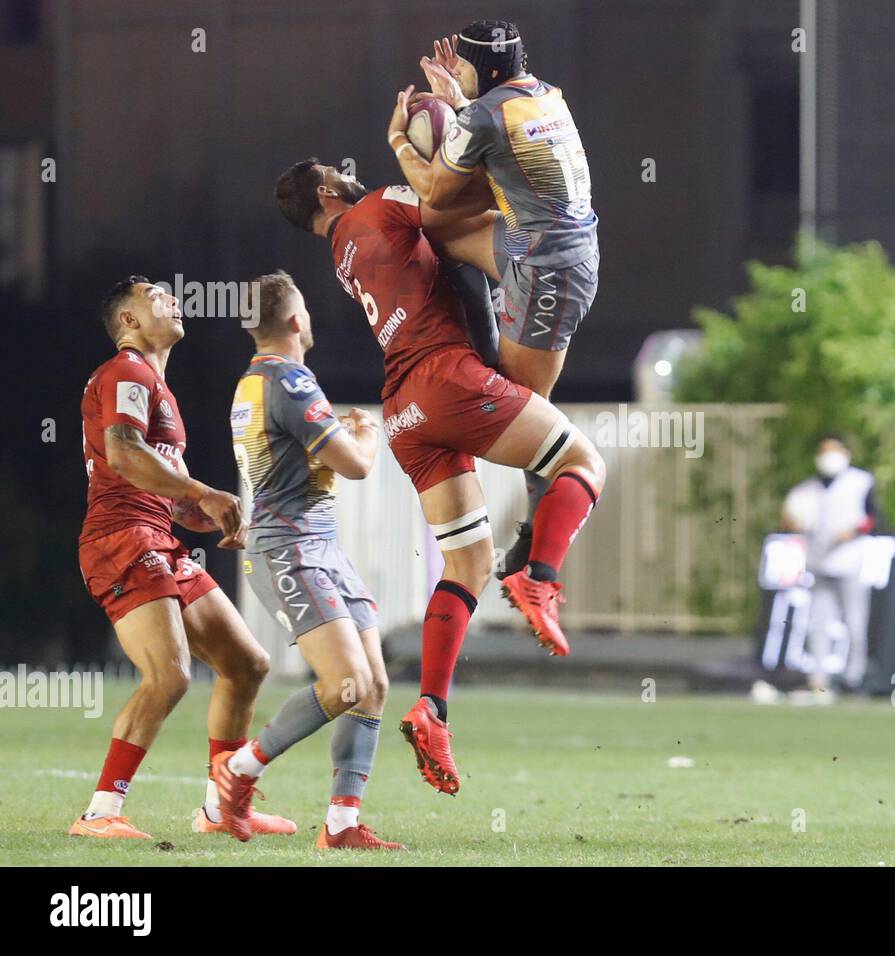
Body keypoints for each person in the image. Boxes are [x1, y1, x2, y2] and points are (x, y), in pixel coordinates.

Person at [274, 158, 605, 795]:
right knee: (582, 462)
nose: (348, 170)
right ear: (325, 190)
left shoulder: (342, 250)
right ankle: (540, 578)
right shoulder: (375, 205)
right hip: (446, 378)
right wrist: (451, 145)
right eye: (335, 171)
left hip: (403, 411)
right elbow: (452, 198)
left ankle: (432, 708)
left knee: (467, 565)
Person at [71, 276, 294, 840]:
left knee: (247, 664)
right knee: (168, 676)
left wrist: (199, 513)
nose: (172, 300)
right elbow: (123, 453)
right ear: (128, 321)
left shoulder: (155, 385)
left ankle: (221, 809)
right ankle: (100, 813)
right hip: (121, 539)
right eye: (156, 296)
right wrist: (199, 493)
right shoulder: (126, 370)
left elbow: (152, 482)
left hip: (155, 536)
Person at [391, 18, 600, 578]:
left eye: (460, 65)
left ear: (483, 71)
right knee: (435, 232)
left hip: (546, 271)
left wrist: (399, 141)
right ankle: (474, 339)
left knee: (526, 410)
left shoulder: (483, 115)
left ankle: (537, 545)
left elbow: (436, 186)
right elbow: (494, 173)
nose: (452, 72)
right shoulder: (542, 95)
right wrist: (460, 104)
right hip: (534, 240)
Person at [209, 271, 402, 849]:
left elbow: (287, 459)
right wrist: (366, 432)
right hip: (293, 553)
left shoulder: (252, 382)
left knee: (373, 686)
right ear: (296, 320)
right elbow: (357, 465)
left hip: (316, 546)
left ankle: (341, 825)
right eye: (307, 308)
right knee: (347, 684)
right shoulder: (291, 381)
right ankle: (239, 771)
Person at [780, 435, 880, 695]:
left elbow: (873, 517)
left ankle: (853, 677)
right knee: (818, 622)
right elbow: (791, 520)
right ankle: (818, 679)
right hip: (819, 561)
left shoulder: (861, 482)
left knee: (855, 621)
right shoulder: (807, 489)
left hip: (850, 561)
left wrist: (854, 531)